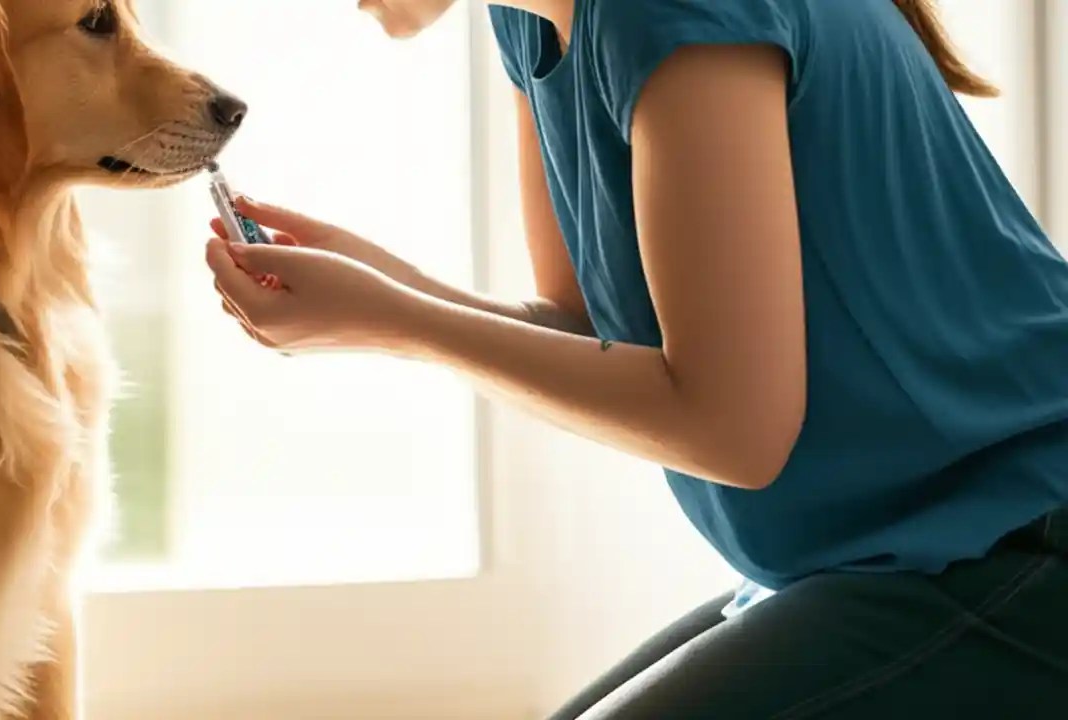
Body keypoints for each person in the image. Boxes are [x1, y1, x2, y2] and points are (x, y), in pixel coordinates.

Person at [206, 0, 1068, 717]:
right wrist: (389, 290)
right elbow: (585, 326)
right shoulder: (534, 24)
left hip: (1009, 543)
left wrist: (400, 322)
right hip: (896, 551)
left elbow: (733, 428)